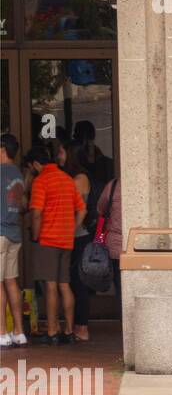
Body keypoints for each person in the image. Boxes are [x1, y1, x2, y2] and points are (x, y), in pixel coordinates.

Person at [25, 144, 85, 345]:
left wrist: (35, 236)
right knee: (64, 285)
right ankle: (68, 330)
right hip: (66, 240)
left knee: (50, 286)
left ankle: (52, 331)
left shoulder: (41, 181)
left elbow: (36, 214)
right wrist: (72, 229)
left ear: (35, 164)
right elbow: (82, 209)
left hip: (48, 239)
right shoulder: (67, 179)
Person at [59, 141, 98, 343]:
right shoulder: (77, 177)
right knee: (74, 281)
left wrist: (70, 231)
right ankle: (77, 325)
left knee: (78, 282)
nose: (59, 155)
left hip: (80, 237)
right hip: (77, 235)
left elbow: (79, 210)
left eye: (62, 151)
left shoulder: (78, 179)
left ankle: (82, 327)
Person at [0, 134, 27, 347]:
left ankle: (2, 333)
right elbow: (23, 206)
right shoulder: (18, 174)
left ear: (2, 149)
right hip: (15, 233)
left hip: (0, 233)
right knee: (11, 281)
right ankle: (19, 331)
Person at [95, 167, 123, 311]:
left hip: (115, 247)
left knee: (120, 288)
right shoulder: (144, 185)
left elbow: (100, 209)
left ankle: (123, 323)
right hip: (138, 246)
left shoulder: (113, 186)